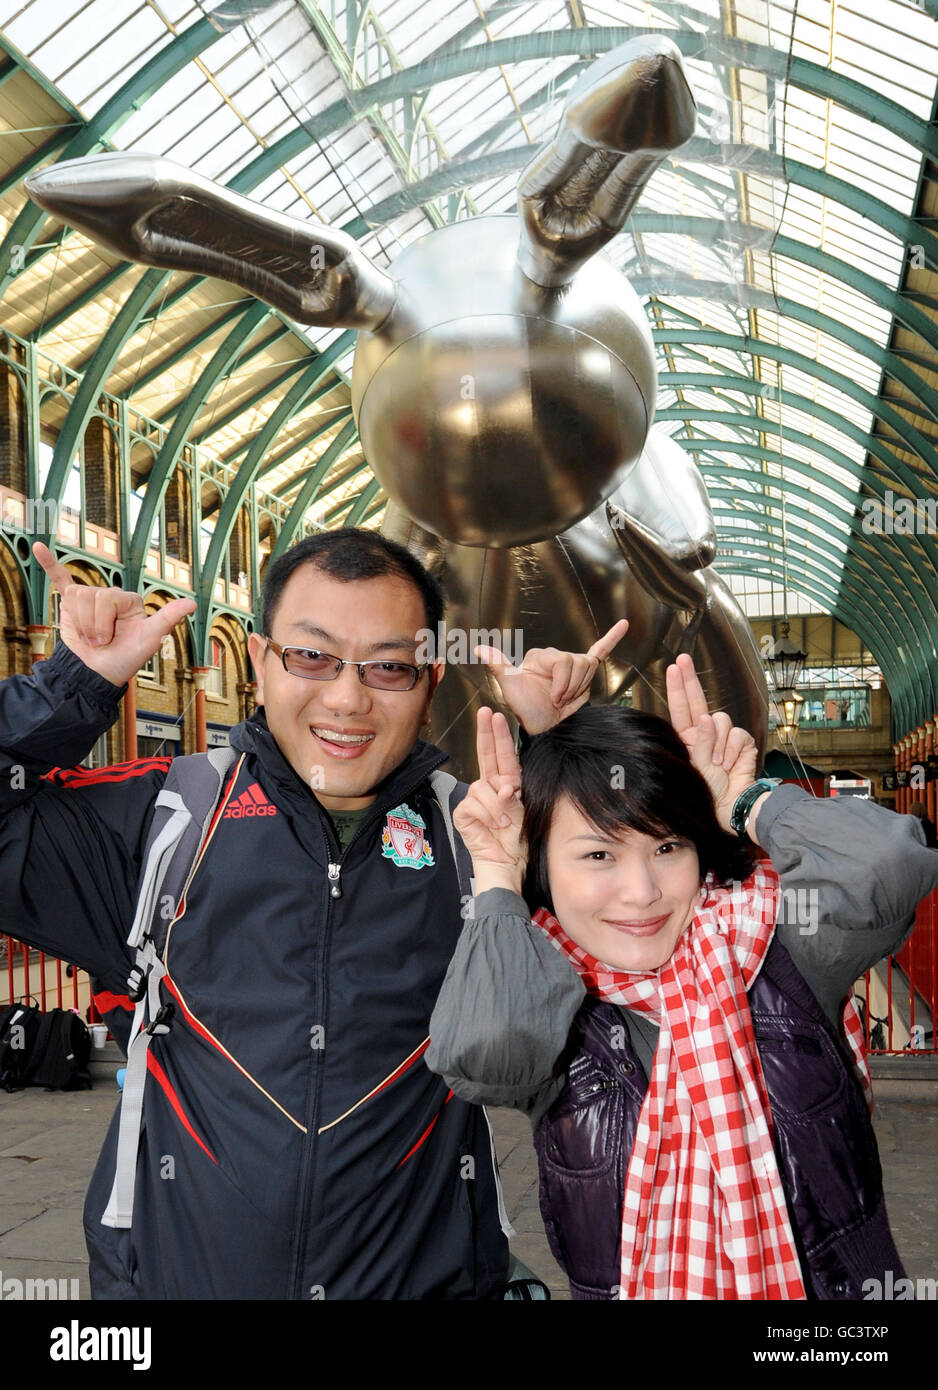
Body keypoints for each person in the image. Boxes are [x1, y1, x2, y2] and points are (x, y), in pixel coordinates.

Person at [0, 528, 625, 1300]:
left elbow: (658, 922)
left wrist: (564, 744)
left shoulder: (483, 841)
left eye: (388, 666)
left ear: (429, 683)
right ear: (259, 663)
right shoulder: (162, 822)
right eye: (312, 657)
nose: (347, 698)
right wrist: (70, 686)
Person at [426, 656, 938, 1300]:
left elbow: (888, 864)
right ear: (544, 868)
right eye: (598, 855)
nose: (641, 893)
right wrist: (498, 875)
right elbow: (486, 1053)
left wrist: (742, 801)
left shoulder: (776, 949)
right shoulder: (548, 996)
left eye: (668, 847)